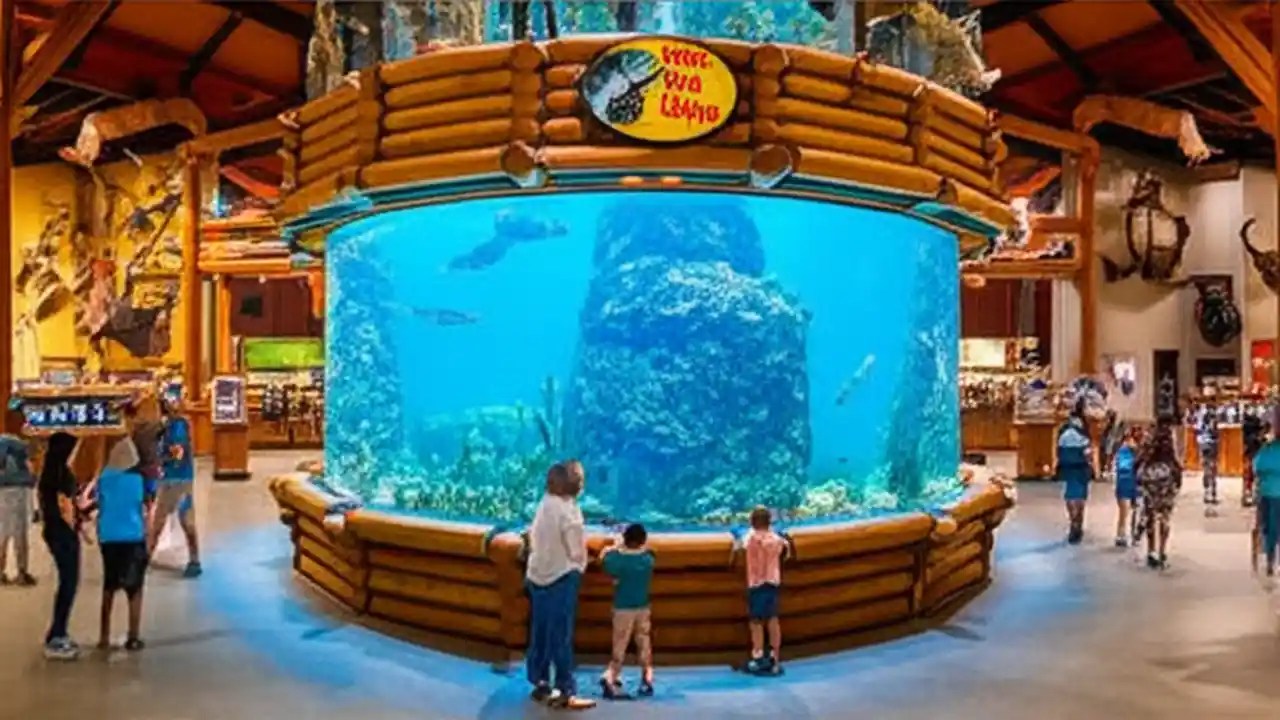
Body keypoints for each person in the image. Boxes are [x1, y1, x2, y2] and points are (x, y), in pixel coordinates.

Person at [525, 460, 594, 711]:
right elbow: (576, 551)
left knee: (540, 632)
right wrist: (582, 565)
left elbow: (534, 536)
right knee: (560, 635)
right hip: (561, 578)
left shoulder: (545, 504)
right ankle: (566, 691)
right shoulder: (570, 511)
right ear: (575, 484)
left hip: (536, 576)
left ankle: (540, 682)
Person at [92, 436, 152, 650]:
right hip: (132, 536)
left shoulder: (104, 478)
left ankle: (104, 636)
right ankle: (133, 635)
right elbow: (141, 507)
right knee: (134, 590)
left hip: (108, 536)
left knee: (109, 587)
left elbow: (99, 502)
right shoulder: (136, 480)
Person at [38, 432, 83, 660]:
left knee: (67, 582)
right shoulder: (61, 476)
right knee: (69, 583)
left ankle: (58, 632)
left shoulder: (47, 475)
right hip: (63, 533)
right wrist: (77, 522)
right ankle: (57, 634)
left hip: (53, 530)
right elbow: (66, 507)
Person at [599, 523, 655, 700]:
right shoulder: (647, 560)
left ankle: (612, 676)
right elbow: (646, 553)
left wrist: (615, 545)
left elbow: (605, 560)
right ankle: (647, 676)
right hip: (643, 606)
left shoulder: (617, 560)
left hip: (622, 607)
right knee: (643, 641)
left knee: (620, 644)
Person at [148, 405, 201, 578]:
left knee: (169, 520)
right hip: (176, 479)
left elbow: (177, 453)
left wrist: (159, 461)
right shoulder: (170, 425)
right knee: (177, 519)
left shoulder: (176, 427)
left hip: (176, 480)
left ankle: (145, 557)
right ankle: (194, 559)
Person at [741, 505, 788, 675]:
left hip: (756, 584)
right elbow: (785, 547)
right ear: (770, 522)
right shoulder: (776, 540)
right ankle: (775, 657)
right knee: (773, 620)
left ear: (752, 522)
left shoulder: (751, 538)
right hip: (773, 584)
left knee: (756, 622)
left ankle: (758, 655)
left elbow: (741, 544)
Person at [1138, 418, 1182, 571]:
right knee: (1165, 517)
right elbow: (1176, 464)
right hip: (1166, 479)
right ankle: (1162, 551)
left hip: (1151, 478)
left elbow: (1140, 460)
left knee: (1151, 517)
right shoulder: (1169, 445)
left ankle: (1151, 551)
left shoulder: (1150, 443)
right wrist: (1177, 482)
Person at [0, 433, 37, 585]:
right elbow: (30, 471)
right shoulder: (17, 447)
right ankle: (22, 573)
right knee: (19, 534)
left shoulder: (6, 444)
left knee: (2, 534)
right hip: (18, 490)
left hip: (3, 490)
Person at [1057, 400, 1094, 545]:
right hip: (1081, 463)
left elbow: (1058, 448)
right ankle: (1079, 522)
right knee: (1081, 495)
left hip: (1068, 463)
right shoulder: (1083, 428)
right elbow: (1088, 450)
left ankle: (1073, 522)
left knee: (1070, 493)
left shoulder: (1064, 429)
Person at [1251, 406, 1280, 577]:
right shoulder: (1268, 448)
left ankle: (1270, 559)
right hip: (1271, 493)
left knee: (1269, 528)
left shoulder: (1266, 449)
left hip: (1267, 493)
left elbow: (1257, 467)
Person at [1113, 429, 1139, 548]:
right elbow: (1123, 467)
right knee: (1124, 511)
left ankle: (1135, 533)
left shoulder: (1139, 451)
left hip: (1136, 482)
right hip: (1125, 482)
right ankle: (1121, 534)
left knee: (1137, 510)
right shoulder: (1123, 451)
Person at [1196, 407, 1221, 514]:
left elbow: (1198, 433)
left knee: (1207, 469)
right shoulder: (1212, 423)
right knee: (1212, 469)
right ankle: (1212, 492)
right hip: (1211, 446)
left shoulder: (1202, 422)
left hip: (1204, 445)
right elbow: (1216, 435)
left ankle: (1207, 492)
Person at [1242, 408, 1267, 508]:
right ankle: (1251, 495)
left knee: (1249, 476)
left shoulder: (1247, 431)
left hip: (1251, 453)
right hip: (1253, 453)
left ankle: (1249, 495)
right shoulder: (1253, 434)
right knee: (1251, 475)